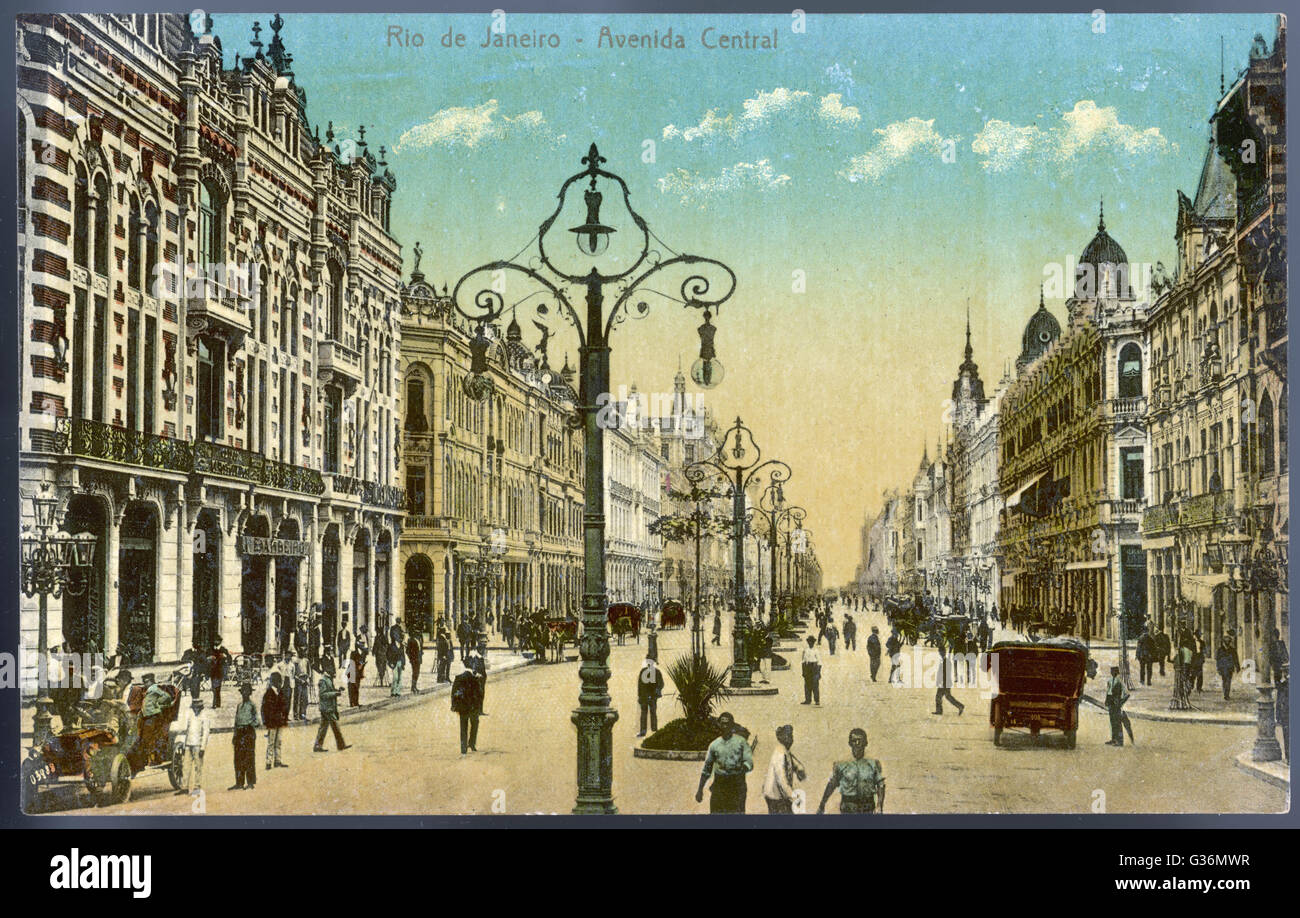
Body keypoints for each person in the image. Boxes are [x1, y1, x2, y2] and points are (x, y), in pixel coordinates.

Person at [816, 728, 885, 814]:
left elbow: (880, 785)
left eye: (860, 740)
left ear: (866, 743)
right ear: (849, 743)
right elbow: (831, 784)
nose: (857, 743)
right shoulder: (841, 764)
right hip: (848, 808)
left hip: (868, 807)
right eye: (854, 741)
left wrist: (879, 805)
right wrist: (822, 804)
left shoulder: (873, 763)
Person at [695, 712, 753, 813]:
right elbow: (706, 769)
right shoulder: (714, 745)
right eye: (722, 724)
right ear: (719, 725)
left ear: (732, 725)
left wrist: (741, 769)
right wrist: (700, 790)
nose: (725, 726)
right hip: (719, 785)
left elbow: (749, 762)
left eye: (727, 723)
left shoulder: (741, 742)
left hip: (736, 785)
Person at [761, 724, 805, 814]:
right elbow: (782, 780)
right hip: (775, 797)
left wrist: (799, 769)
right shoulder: (780, 753)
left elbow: (793, 761)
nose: (790, 739)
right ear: (781, 738)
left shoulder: (785, 750)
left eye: (791, 736)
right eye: (787, 736)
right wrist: (793, 797)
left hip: (780, 795)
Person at [175, 696, 212, 796]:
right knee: (185, 767)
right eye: (194, 708)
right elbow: (186, 730)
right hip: (188, 744)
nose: (195, 709)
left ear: (201, 708)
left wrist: (203, 748)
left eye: (197, 708)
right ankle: (184, 787)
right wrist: (183, 745)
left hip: (198, 745)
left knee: (198, 767)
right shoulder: (190, 716)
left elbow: (206, 733)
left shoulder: (205, 717)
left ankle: (197, 787)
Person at [313, 660, 350, 752]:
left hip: (327, 707)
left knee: (323, 727)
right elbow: (323, 695)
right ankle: (341, 745)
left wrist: (337, 690)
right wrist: (335, 693)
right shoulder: (323, 680)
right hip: (326, 708)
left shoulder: (327, 679)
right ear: (327, 670)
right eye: (332, 670)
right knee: (334, 726)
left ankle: (318, 746)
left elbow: (329, 691)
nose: (334, 672)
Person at [451, 662, 484, 755]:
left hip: (463, 707)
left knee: (463, 726)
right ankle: (472, 743)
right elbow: (480, 694)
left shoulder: (458, 678)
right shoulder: (475, 679)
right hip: (473, 707)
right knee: (474, 724)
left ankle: (463, 747)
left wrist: (454, 706)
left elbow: (453, 694)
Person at [230, 683, 259, 790]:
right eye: (243, 692)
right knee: (238, 758)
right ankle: (239, 782)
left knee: (249, 757)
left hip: (248, 732)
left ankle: (250, 782)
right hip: (239, 732)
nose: (244, 694)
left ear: (250, 693)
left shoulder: (252, 705)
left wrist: (249, 724)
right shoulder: (239, 705)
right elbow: (236, 721)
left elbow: (257, 721)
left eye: (247, 692)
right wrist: (235, 735)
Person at [261, 671, 289, 770]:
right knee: (271, 742)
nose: (280, 683)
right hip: (272, 722)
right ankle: (269, 762)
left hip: (279, 721)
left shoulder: (280, 692)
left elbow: (285, 706)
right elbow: (264, 709)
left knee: (278, 741)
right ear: (274, 682)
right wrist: (266, 721)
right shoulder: (268, 694)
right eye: (279, 681)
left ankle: (277, 760)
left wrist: (284, 717)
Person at [933, 643, 965, 716]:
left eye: (941, 652)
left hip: (945, 683)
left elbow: (945, 673)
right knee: (947, 697)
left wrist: (941, 682)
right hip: (945, 682)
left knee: (939, 696)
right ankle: (960, 706)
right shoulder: (944, 661)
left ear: (944, 652)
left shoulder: (946, 661)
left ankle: (940, 710)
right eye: (939, 652)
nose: (940, 653)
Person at [636, 656, 664, 738]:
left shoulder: (643, 671)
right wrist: (657, 690)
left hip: (646, 696)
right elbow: (661, 684)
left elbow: (640, 685)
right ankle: (653, 730)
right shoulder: (657, 672)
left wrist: (639, 696)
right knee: (652, 713)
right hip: (651, 696)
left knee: (645, 713)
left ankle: (644, 731)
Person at [1216, 630, 1240, 701]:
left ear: (1230, 642)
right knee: (1224, 680)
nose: (1227, 643)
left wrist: (1237, 667)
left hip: (1230, 667)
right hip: (1223, 668)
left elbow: (1236, 659)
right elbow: (1218, 660)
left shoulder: (1233, 650)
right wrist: (1218, 668)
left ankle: (1226, 694)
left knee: (1228, 680)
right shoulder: (1220, 650)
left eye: (1228, 641)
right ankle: (1225, 693)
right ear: (1223, 642)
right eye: (1226, 641)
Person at [209, 637, 232, 709]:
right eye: (215, 640)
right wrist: (209, 658)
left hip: (220, 671)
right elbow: (205, 658)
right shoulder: (210, 649)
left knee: (217, 687)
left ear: (220, 641)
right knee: (214, 687)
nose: (216, 641)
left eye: (218, 640)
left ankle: (215, 703)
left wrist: (225, 657)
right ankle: (216, 702)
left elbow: (230, 659)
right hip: (212, 671)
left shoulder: (223, 649)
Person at [466, 641, 488, 715]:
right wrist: (478, 674)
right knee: (479, 694)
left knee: (480, 694)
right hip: (479, 679)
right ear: (481, 650)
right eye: (484, 650)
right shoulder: (477, 658)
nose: (485, 652)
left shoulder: (479, 658)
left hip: (481, 679)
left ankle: (479, 710)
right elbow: (474, 668)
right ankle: (478, 711)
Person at [1275, 663, 1289, 763]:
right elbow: (1279, 700)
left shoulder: (1285, 683)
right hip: (1286, 714)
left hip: (1287, 713)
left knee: (1287, 735)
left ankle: (1289, 758)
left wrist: (1278, 714)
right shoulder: (1283, 683)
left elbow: (1280, 700)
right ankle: (1289, 758)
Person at [801, 636, 821, 706]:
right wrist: (803, 671)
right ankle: (808, 699)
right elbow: (803, 661)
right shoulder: (805, 650)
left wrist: (818, 672)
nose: (810, 643)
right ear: (807, 642)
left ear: (814, 642)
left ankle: (817, 700)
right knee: (807, 684)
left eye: (812, 642)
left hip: (814, 668)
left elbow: (819, 662)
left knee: (815, 684)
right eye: (809, 642)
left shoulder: (816, 650)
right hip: (807, 667)